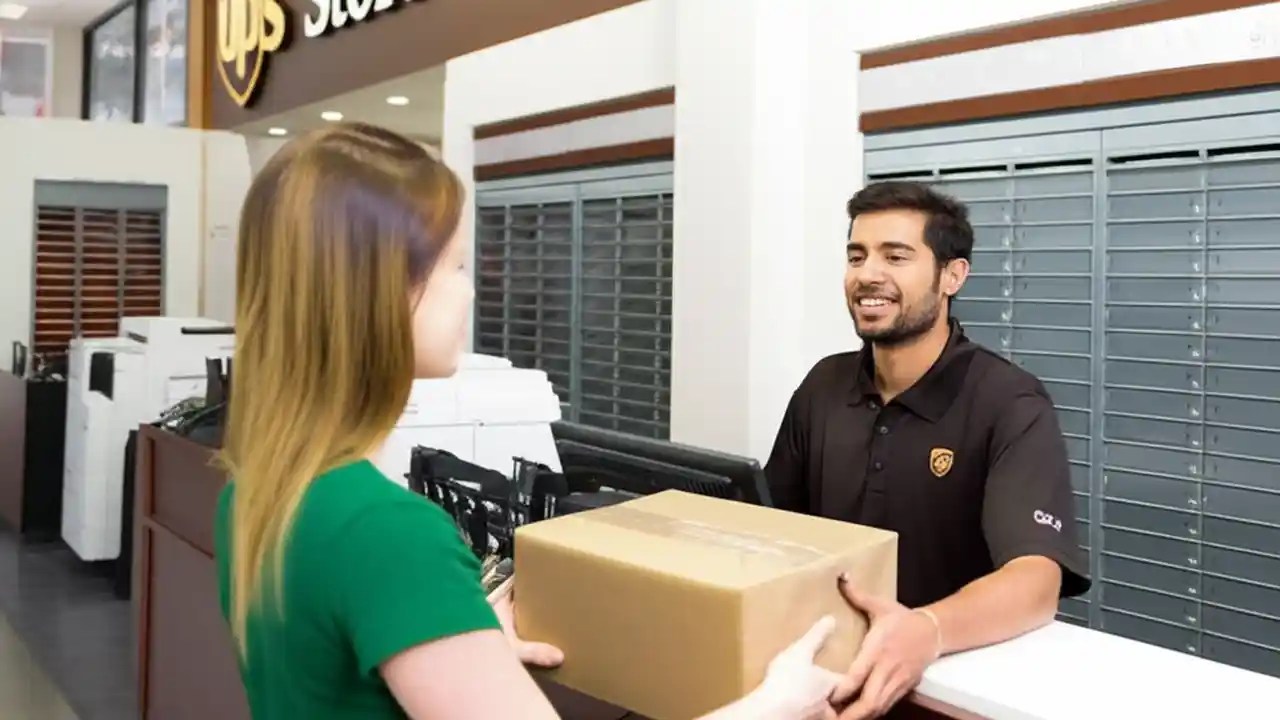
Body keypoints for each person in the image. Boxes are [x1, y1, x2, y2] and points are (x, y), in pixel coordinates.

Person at [213, 122, 850, 720]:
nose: (470, 290)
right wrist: (775, 705)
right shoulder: (390, 532)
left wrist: (458, 644)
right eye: (455, 266)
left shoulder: (259, 491)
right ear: (381, 291)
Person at [765, 181, 1091, 719]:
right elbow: (772, 529)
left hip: (943, 688)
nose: (868, 274)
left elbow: (1037, 580)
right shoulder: (823, 386)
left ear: (952, 276)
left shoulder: (1008, 401)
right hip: (825, 680)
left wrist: (927, 629)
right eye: (857, 255)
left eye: (896, 256)